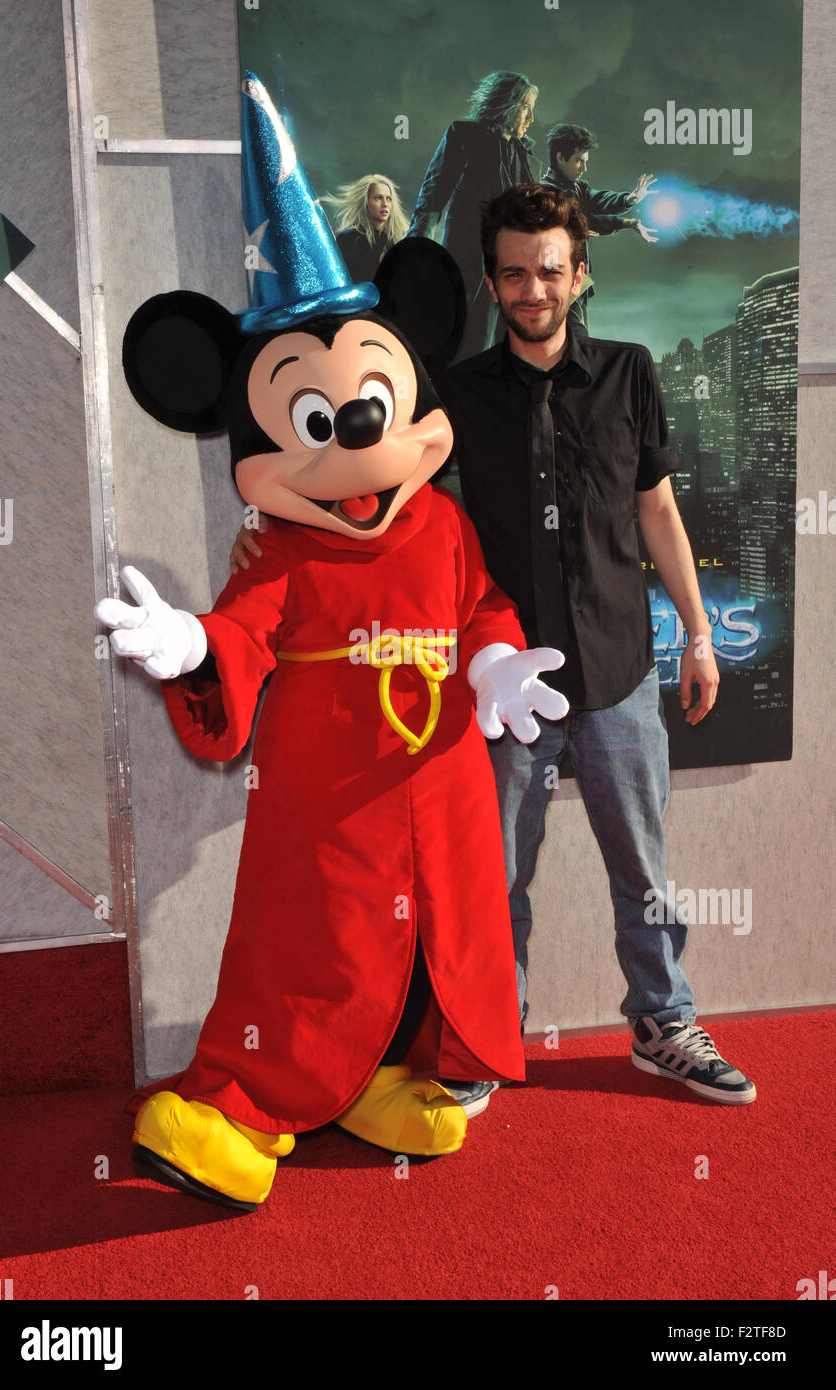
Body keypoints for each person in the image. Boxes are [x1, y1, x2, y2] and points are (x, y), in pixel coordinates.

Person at [230, 183, 756, 1115]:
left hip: (619, 672)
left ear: (578, 274)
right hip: (500, 681)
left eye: (548, 269)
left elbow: (658, 511)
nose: (531, 288)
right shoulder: (457, 396)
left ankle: (662, 1020)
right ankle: (485, 1034)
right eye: (512, 272)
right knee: (490, 877)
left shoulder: (629, 372)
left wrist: (701, 640)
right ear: (491, 280)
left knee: (641, 864)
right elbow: (392, 510)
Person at [408, 71, 538, 359]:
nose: (531, 117)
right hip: (468, 255)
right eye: (526, 107)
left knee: (507, 344)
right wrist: (417, 239)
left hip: (510, 262)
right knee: (465, 335)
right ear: (507, 104)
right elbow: (434, 190)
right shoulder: (464, 134)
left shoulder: (519, 151)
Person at [542, 123, 658, 335]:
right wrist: (624, 222)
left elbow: (599, 199)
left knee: (579, 340)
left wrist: (629, 200)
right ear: (560, 157)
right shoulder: (545, 194)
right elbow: (585, 221)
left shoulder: (578, 187)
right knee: (577, 341)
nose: (583, 168)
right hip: (559, 280)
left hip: (577, 279)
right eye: (579, 161)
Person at [324, 173, 408, 282]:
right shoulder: (349, 239)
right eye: (378, 198)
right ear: (365, 201)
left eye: (388, 199)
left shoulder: (396, 242)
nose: (385, 204)